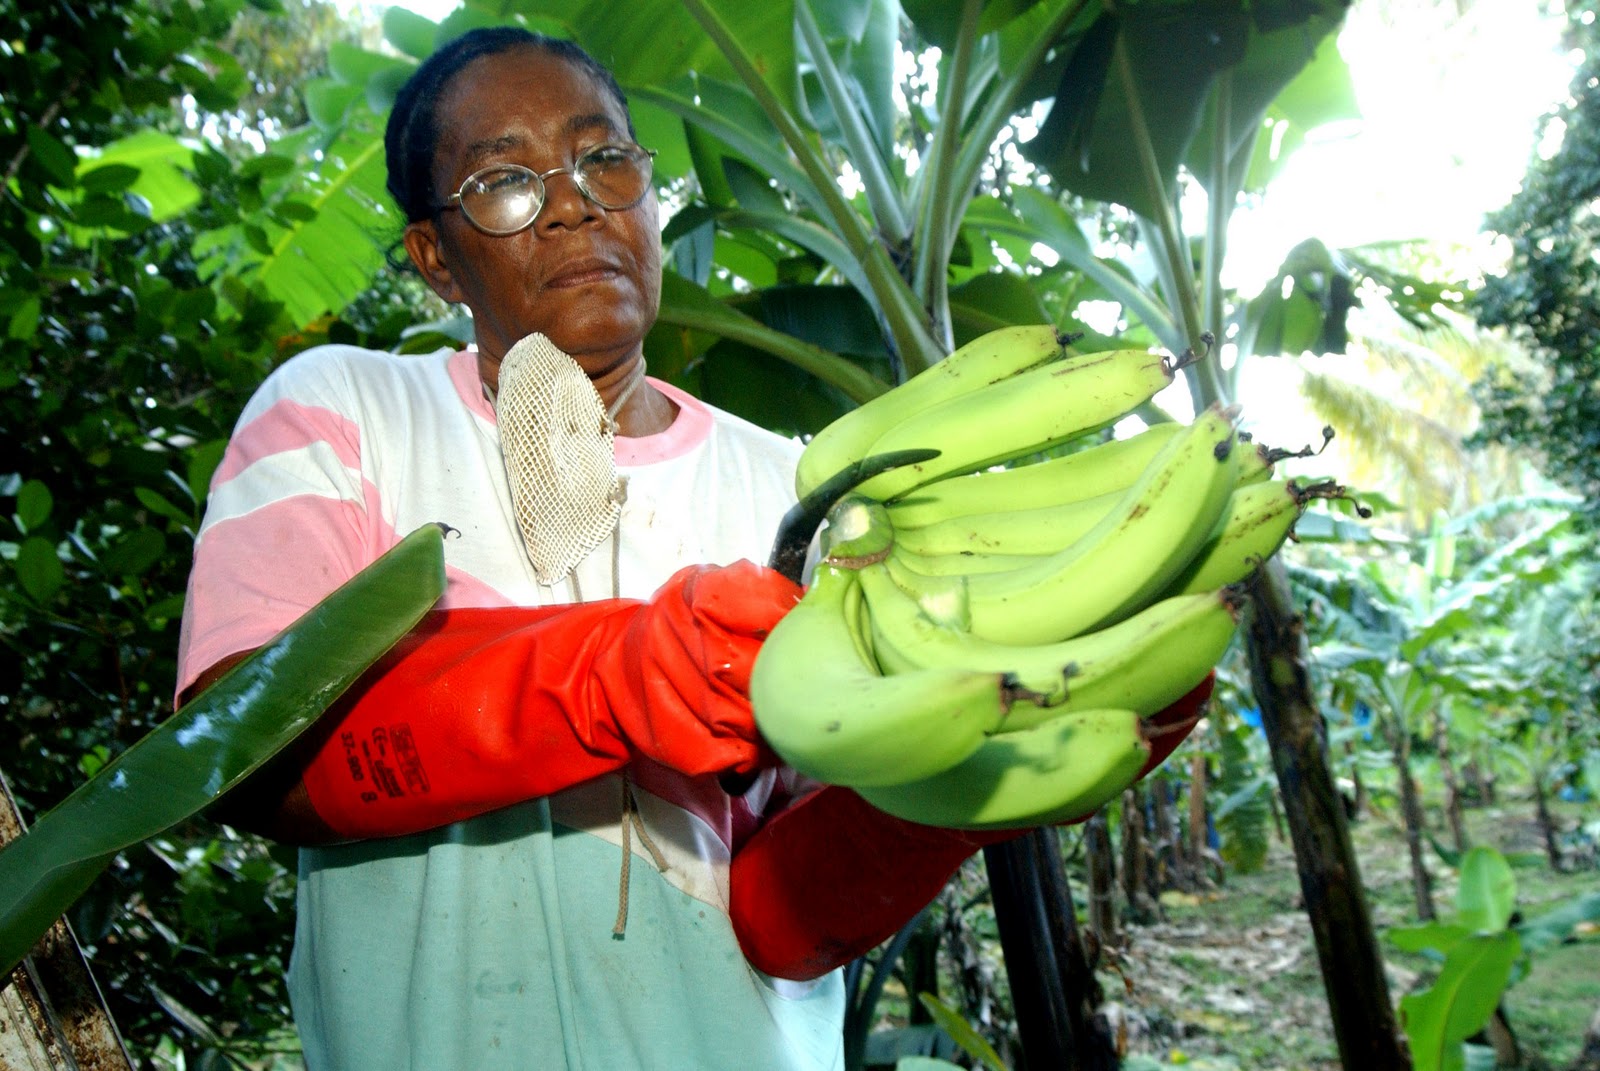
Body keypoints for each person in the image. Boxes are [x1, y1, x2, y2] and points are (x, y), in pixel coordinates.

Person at [176, 26, 1207, 1071]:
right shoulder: (348, 412)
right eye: (504, 182)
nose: (573, 202)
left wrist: (965, 780)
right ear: (436, 257)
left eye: (604, 159)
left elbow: (782, 924)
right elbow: (243, 753)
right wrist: (607, 679)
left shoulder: (804, 497)